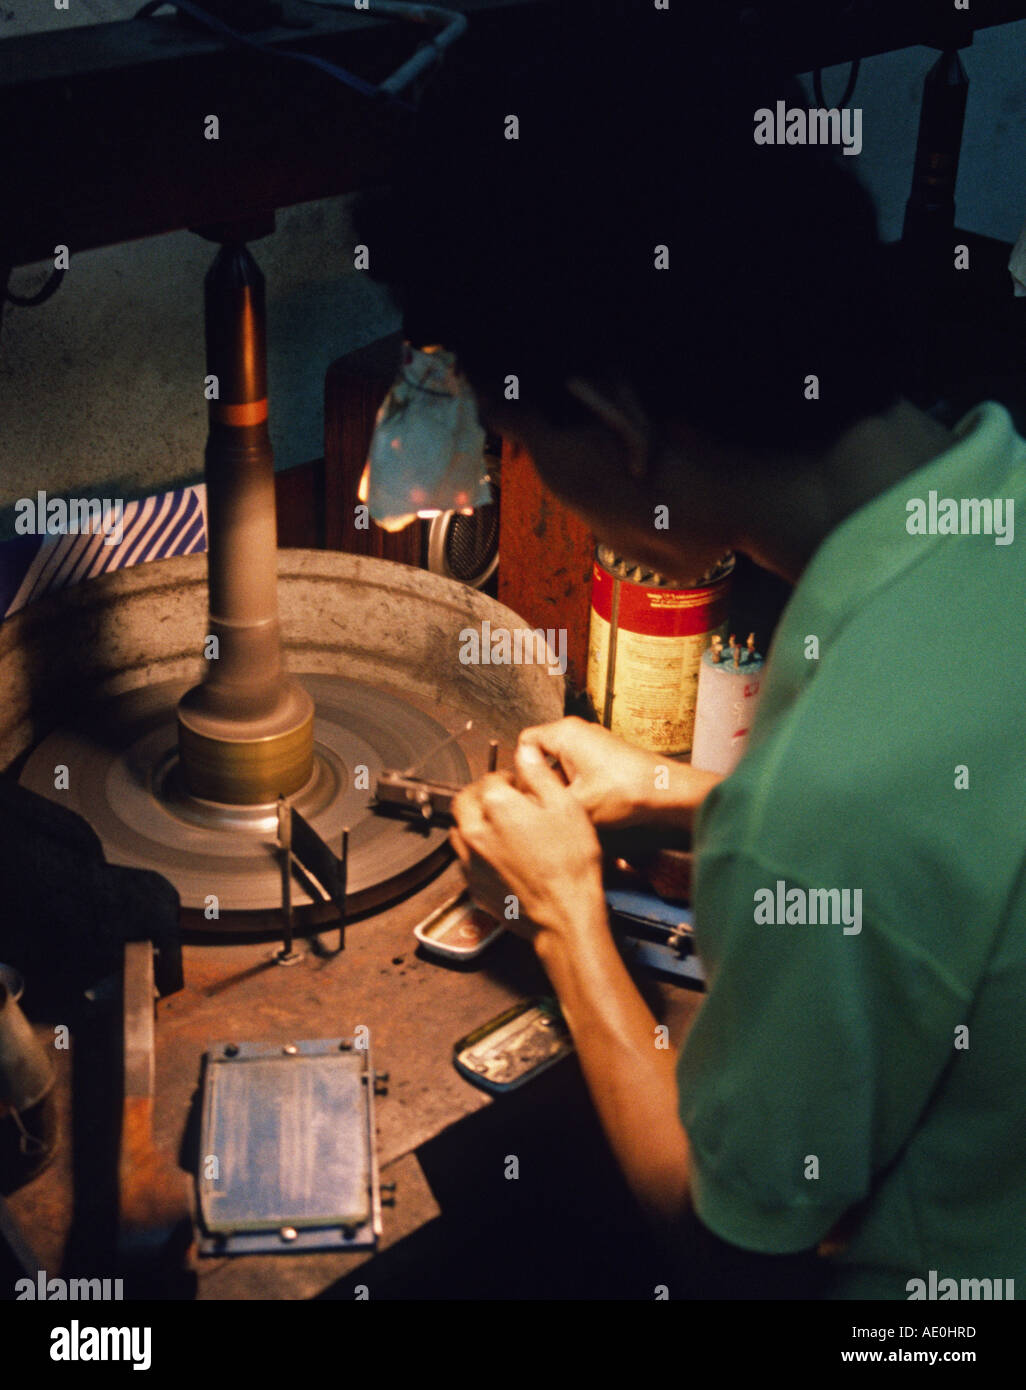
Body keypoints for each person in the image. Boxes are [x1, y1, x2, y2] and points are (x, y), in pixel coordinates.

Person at [356, 22, 1026, 1298]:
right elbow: (961, 835)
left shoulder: (827, 801)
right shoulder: (997, 503)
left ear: (611, 422)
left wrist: (562, 917)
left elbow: (729, 1267)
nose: (525, 467)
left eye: (514, 433)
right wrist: (679, 793)